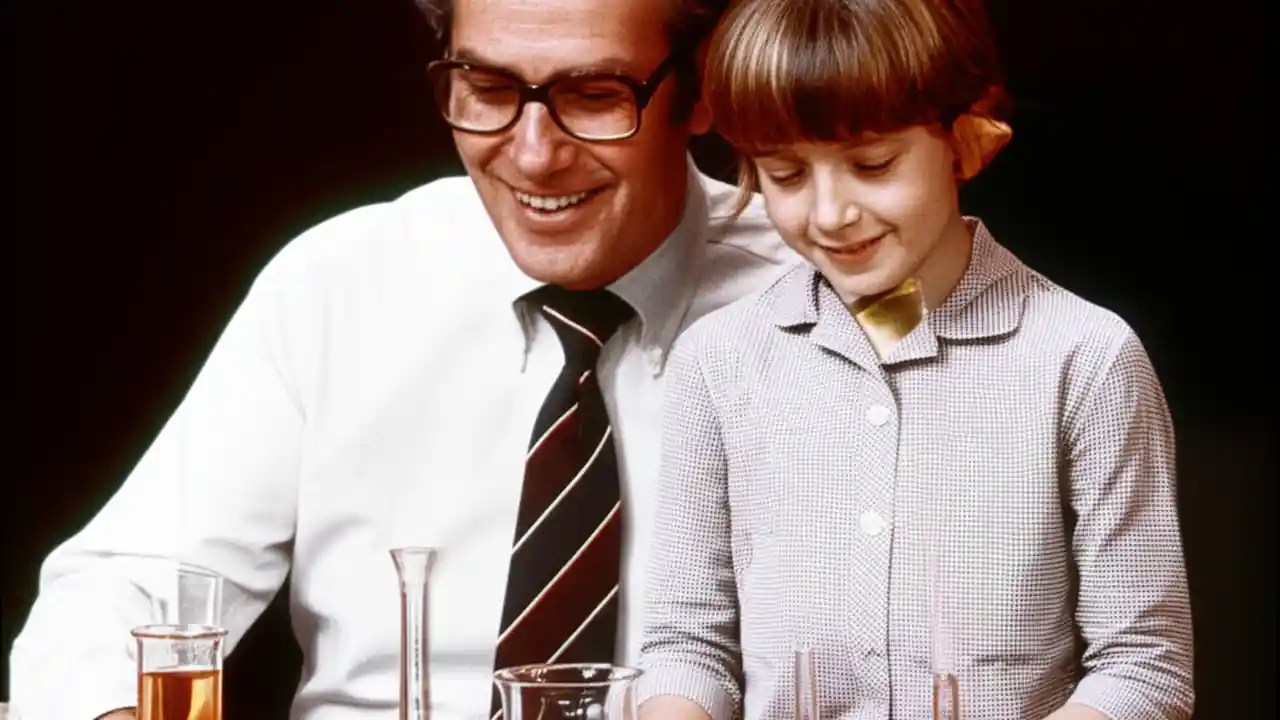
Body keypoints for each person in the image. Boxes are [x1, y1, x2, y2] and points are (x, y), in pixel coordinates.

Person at [9, 0, 796, 717]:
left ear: (702, 96)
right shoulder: (339, 284)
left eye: (594, 97)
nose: (532, 155)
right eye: (486, 89)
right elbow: (120, 589)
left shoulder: (817, 300)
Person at [635, 0, 1194, 718]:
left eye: (872, 164)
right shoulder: (716, 362)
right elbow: (687, 645)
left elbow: (1143, 668)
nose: (831, 212)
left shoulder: (1085, 359)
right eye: (786, 174)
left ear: (969, 141)